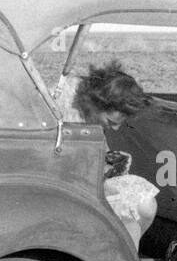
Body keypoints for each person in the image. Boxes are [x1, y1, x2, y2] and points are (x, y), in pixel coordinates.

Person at [57, 61, 159, 249]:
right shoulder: (61, 107)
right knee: (133, 215)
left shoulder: (92, 115)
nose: (116, 128)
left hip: (88, 180)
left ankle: (125, 255)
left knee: (146, 205)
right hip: (65, 185)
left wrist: (110, 162)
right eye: (111, 121)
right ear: (96, 104)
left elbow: (97, 151)